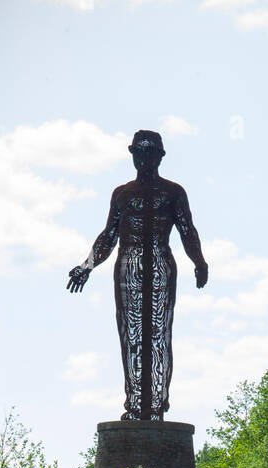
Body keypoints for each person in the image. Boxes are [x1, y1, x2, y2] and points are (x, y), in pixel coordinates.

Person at [67, 130, 208, 420]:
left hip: (159, 261)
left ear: (160, 156)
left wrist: (199, 261)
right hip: (128, 264)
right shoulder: (122, 194)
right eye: (139, 153)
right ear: (132, 155)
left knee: (158, 334)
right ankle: (134, 404)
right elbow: (109, 236)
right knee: (130, 334)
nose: (144, 159)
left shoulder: (173, 192)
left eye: (150, 153)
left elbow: (187, 231)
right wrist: (87, 265)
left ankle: (156, 406)